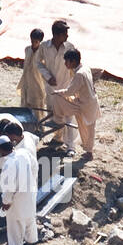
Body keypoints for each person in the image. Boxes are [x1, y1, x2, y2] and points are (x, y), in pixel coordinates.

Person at [50, 48, 100, 159]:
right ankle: (88, 151)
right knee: (86, 129)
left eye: (66, 61)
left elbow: (69, 91)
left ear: (73, 61)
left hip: (85, 104)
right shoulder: (84, 68)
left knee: (88, 129)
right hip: (86, 101)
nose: (65, 64)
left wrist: (57, 92)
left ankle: (58, 119)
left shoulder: (79, 74)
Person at [37, 20, 78, 149]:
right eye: (65, 33)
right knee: (53, 113)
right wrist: (48, 77)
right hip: (51, 88)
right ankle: (57, 138)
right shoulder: (44, 46)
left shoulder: (69, 47)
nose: (67, 36)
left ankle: (70, 145)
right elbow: (38, 63)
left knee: (68, 116)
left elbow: (76, 65)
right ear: (56, 35)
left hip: (66, 87)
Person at [0, 136, 38, 245]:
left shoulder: (8, 164)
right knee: (30, 218)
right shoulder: (23, 153)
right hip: (30, 192)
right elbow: (35, 166)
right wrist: (32, 182)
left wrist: (6, 202)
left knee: (15, 223)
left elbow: (9, 188)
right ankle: (32, 243)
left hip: (17, 198)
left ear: (0, 150)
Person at [17, 28, 46, 111]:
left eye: (36, 42)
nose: (33, 44)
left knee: (36, 107)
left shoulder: (43, 53)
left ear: (40, 41)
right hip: (26, 82)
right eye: (32, 41)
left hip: (37, 84)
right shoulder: (27, 50)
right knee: (24, 105)